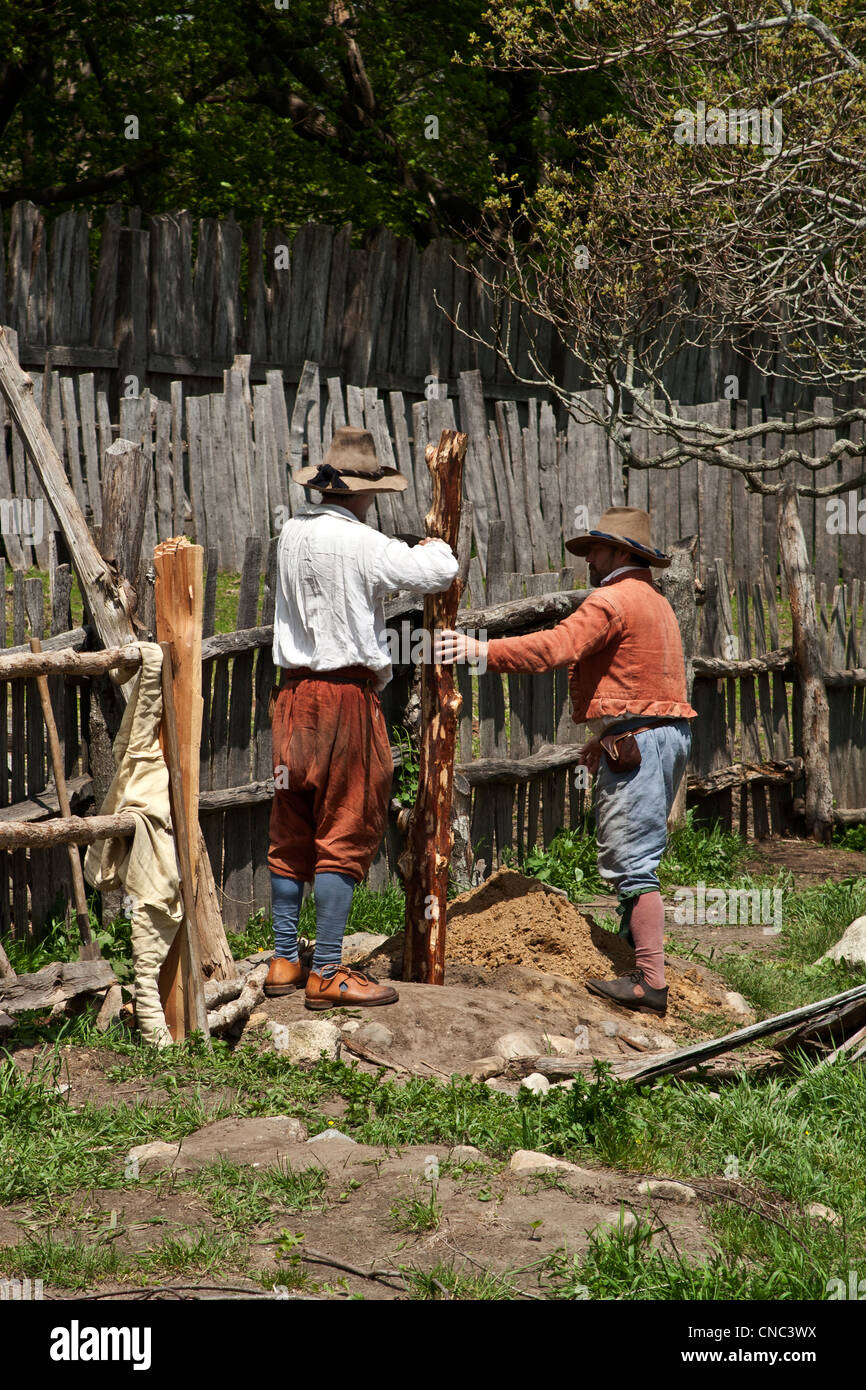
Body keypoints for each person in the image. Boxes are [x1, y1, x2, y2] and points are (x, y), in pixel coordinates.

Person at [439, 507, 696, 1018]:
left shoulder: (613, 600)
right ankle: (632, 959)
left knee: (634, 864)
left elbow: (554, 648)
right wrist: (606, 736)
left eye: (597, 550)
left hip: (643, 739)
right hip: (661, 734)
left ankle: (649, 981)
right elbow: (645, 683)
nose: (590, 560)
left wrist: (478, 651)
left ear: (623, 553)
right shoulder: (653, 600)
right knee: (635, 858)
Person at [265, 426, 458, 1009]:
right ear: (364, 491)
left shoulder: (290, 534)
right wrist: (429, 546)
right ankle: (326, 969)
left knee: (291, 826)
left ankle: (282, 959)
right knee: (344, 827)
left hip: (293, 699)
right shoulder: (364, 543)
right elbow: (439, 571)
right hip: (346, 699)